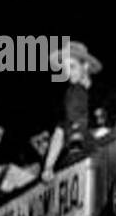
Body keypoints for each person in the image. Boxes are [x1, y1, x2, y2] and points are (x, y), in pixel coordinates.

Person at [43, 41, 103, 181]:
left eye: (72, 66)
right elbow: (60, 132)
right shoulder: (69, 96)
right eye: (64, 68)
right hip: (77, 161)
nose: (67, 72)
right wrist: (48, 167)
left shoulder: (104, 93)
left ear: (86, 66)